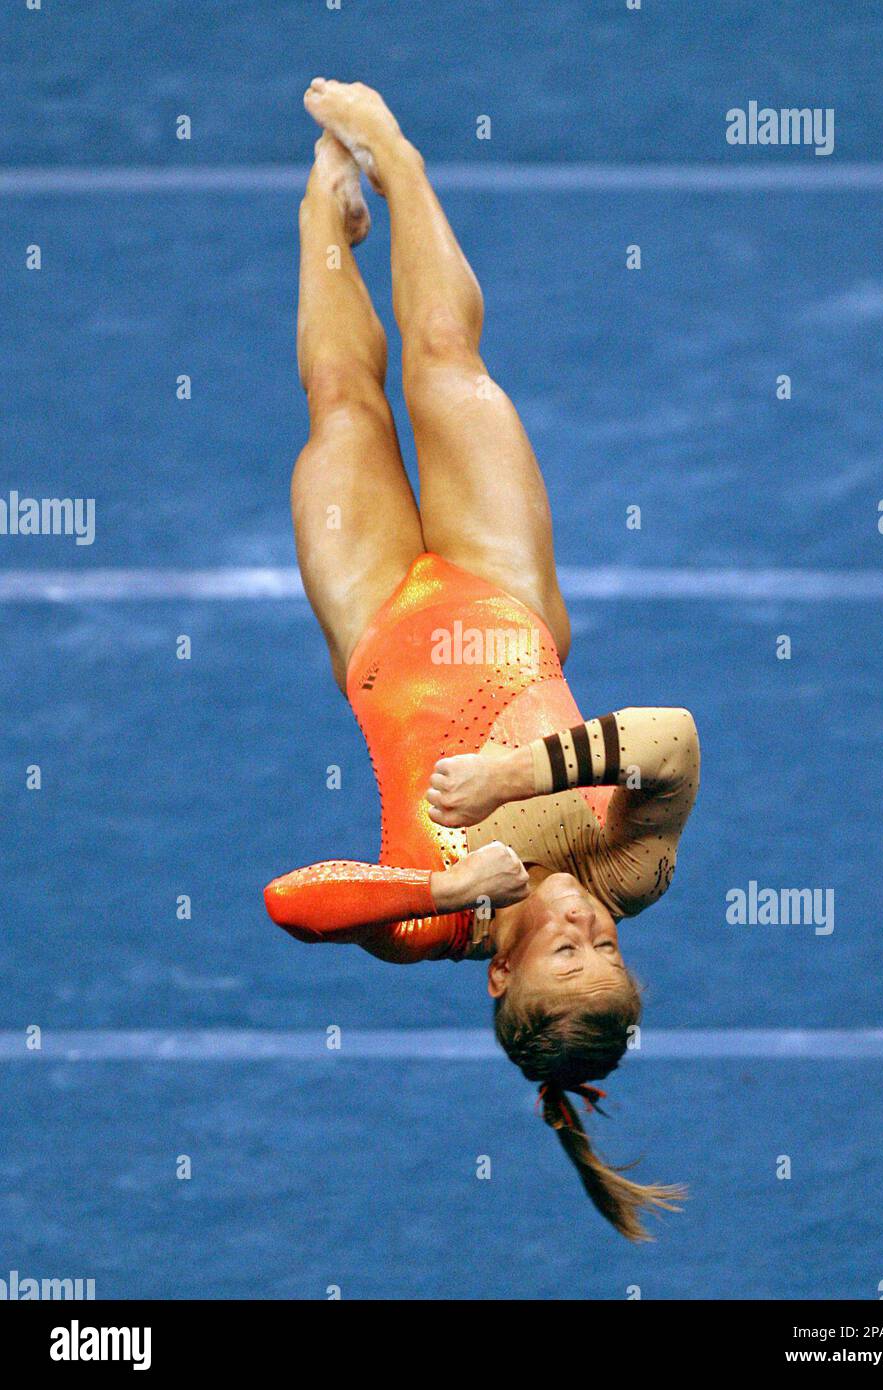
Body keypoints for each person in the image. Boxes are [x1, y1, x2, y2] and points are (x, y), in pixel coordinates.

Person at [264, 80, 700, 1240]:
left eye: (569, 952)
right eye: (605, 950)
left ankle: (321, 211)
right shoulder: (625, 872)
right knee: (447, 363)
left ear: (501, 981)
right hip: (501, 589)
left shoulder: (429, 928)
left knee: (343, 408)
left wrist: (446, 882)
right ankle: (396, 161)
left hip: (378, 626)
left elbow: (291, 904)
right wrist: (514, 784)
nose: (588, 927)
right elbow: (673, 740)